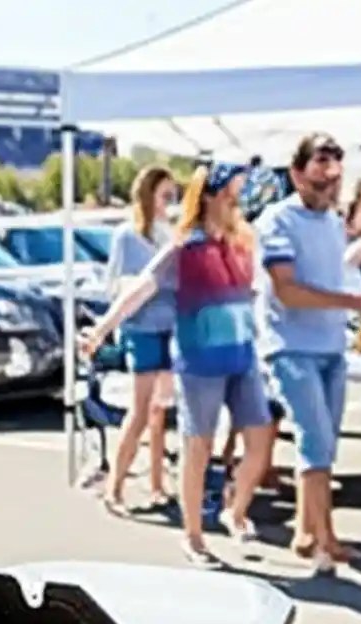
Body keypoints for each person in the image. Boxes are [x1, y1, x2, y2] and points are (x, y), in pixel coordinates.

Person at [81, 162, 273, 569]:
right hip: (201, 362)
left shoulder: (241, 244)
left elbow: (256, 294)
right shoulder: (184, 248)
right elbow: (140, 288)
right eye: (232, 193)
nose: (238, 201)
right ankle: (193, 538)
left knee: (260, 441)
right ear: (210, 197)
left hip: (243, 357)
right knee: (196, 448)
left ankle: (234, 510)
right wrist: (101, 329)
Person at [256, 133, 361, 570]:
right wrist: (351, 304)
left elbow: (335, 278)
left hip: (332, 347)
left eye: (334, 178)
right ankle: (326, 540)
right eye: (319, 177)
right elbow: (288, 292)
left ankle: (303, 531)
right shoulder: (276, 221)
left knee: (323, 446)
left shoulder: (333, 222)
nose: (328, 187)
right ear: (296, 174)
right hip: (290, 348)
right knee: (315, 442)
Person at [96, 165, 178, 515]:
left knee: (160, 411)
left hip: (170, 326)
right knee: (141, 410)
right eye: (165, 195)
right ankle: (114, 487)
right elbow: (120, 284)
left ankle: (157, 484)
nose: (169, 203)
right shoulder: (128, 235)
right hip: (142, 329)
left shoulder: (171, 233)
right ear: (149, 196)